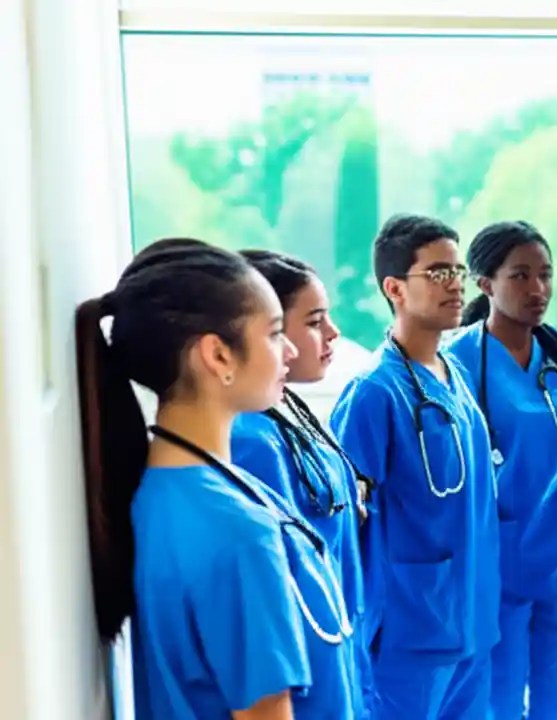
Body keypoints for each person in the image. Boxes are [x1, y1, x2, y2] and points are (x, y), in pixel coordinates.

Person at [75, 238, 359, 719]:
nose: (288, 350)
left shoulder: (163, 492)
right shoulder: (239, 533)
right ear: (218, 356)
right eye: (273, 333)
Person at [329, 214, 500, 720]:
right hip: (407, 634)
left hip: (470, 622)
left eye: (458, 272)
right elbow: (343, 525)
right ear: (395, 288)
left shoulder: (457, 376)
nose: (455, 286)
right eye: (438, 273)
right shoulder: (373, 395)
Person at [446, 220, 557, 720]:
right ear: (485, 284)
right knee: (499, 703)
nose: (538, 289)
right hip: (497, 565)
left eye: (546, 275)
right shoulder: (458, 361)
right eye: (521, 276)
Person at [231, 249, 370, 715]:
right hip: (310, 672)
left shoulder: (290, 411)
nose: (332, 334)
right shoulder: (252, 440)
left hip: (343, 643)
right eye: (314, 322)